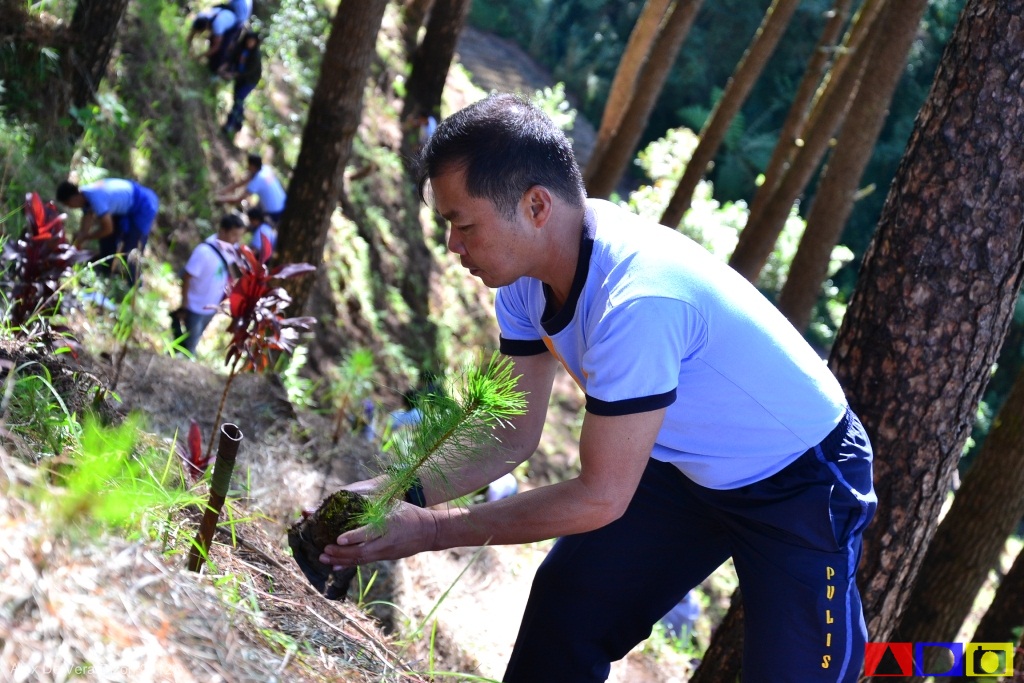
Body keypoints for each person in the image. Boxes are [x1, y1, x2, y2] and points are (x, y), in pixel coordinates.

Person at [318, 94, 877, 683]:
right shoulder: (526, 277)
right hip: (676, 459)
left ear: (536, 205)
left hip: (801, 480)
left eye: (463, 225)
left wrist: (430, 531)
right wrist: (389, 493)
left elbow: (600, 497)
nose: (453, 247)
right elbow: (511, 434)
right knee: (571, 605)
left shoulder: (636, 301)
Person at [56, 177, 159, 284]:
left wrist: (87, 237)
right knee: (107, 240)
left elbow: (107, 229)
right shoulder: (86, 195)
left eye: (68, 204)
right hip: (127, 206)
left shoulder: (95, 198)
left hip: (143, 204)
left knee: (131, 250)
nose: (70, 207)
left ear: (73, 198)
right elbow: (85, 225)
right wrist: (77, 244)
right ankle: (106, 273)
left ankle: (135, 286)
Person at [171, 213, 245, 357]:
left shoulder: (230, 248)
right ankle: (182, 365)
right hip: (195, 306)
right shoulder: (203, 252)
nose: (237, 240)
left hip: (211, 306)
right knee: (189, 344)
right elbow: (187, 277)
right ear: (223, 231)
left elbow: (228, 266)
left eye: (239, 236)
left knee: (194, 339)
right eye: (234, 235)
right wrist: (184, 305)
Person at [215, 153, 287, 223]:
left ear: (252, 166)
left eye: (248, 164)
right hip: (285, 203)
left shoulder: (257, 180)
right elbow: (241, 182)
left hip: (275, 212)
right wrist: (221, 192)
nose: (247, 167)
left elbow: (238, 199)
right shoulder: (266, 169)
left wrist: (220, 199)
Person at [220, 30, 262, 137]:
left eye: (252, 41)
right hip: (239, 78)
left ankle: (229, 125)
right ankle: (238, 123)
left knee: (238, 99)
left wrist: (233, 75)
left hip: (249, 81)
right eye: (249, 40)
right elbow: (232, 59)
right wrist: (225, 68)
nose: (250, 43)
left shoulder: (255, 56)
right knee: (237, 99)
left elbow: (249, 72)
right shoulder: (240, 48)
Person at [187, 5, 242, 74]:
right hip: (223, 13)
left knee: (221, 48)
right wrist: (188, 46)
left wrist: (200, 57)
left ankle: (214, 68)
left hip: (232, 25)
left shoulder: (218, 25)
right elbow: (192, 32)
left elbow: (216, 47)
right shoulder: (201, 16)